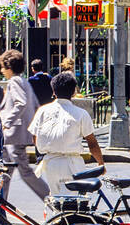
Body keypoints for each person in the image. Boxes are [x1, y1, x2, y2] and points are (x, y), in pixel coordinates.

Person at [32, 71, 105, 201]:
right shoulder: (81, 113)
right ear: (73, 92)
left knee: (56, 201)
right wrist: (100, 163)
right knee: (74, 204)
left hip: (50, 164)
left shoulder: (42, 110)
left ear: (53, 91)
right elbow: (92, 143)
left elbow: (35, 136)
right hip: (73, 165)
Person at [0, 49, 50, 202]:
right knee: (4, 173)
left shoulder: (14, 82)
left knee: (25, 173)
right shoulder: (24, 81)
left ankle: (50, 199)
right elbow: (34, 105)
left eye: (2, 67)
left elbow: (21, 103)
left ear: (9, 67)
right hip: (15, 136)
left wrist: (7, 123)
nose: (1, 70)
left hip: (14, 136)